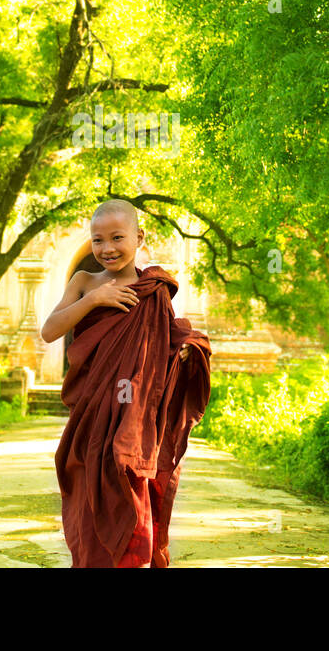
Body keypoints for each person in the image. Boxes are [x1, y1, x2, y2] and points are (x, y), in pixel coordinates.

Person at [42, 198, 211, 567]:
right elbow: (50, 330)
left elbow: (165, 340)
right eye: (98, 240)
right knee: (91, 498)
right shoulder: (84, 282)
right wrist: (95, 298)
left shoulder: (154, 288)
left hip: (136, 419)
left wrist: (186, 351)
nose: (107, 248)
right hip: (92, 415)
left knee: (132, 487)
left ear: (139, 237)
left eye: (117, 237)